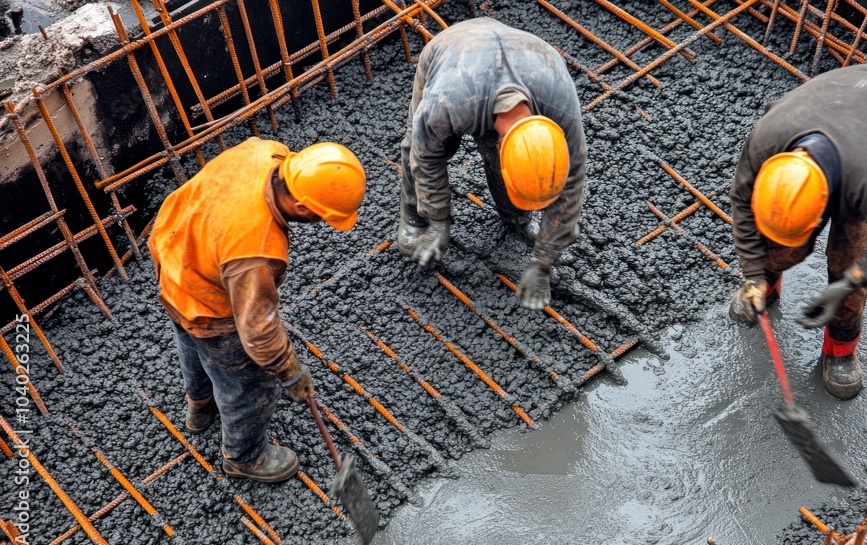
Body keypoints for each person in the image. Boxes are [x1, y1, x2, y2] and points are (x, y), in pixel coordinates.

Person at [149, 138, 366, 482]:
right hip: (208, 295)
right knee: (249, 381)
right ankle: (243, 457)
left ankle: (200, 407)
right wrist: (289, 372)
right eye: (322, 215)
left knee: (193, 342)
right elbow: (258, 329)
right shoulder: (256, 248)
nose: (322, 222)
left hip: (176, 257)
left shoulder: (267, 152)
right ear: (303, 206)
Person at [728, 64, 867, 400]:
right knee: (773, 247)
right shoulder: (765, 145)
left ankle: (840, 348)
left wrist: (850, 281)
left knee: (849, 257)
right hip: (831, 103)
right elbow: (741, 203)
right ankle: (767, 285)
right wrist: (754, 273)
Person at [395, 17, 586, 311]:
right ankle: (412, 220)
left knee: (523, 174)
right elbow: (425, 157)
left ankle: (516, 216)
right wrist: (437, 219)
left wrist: (543, 260)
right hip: (452, 53)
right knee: (418, 144)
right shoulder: (447, 103)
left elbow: (571, 181)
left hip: (529, 56)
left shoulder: (560, 103)